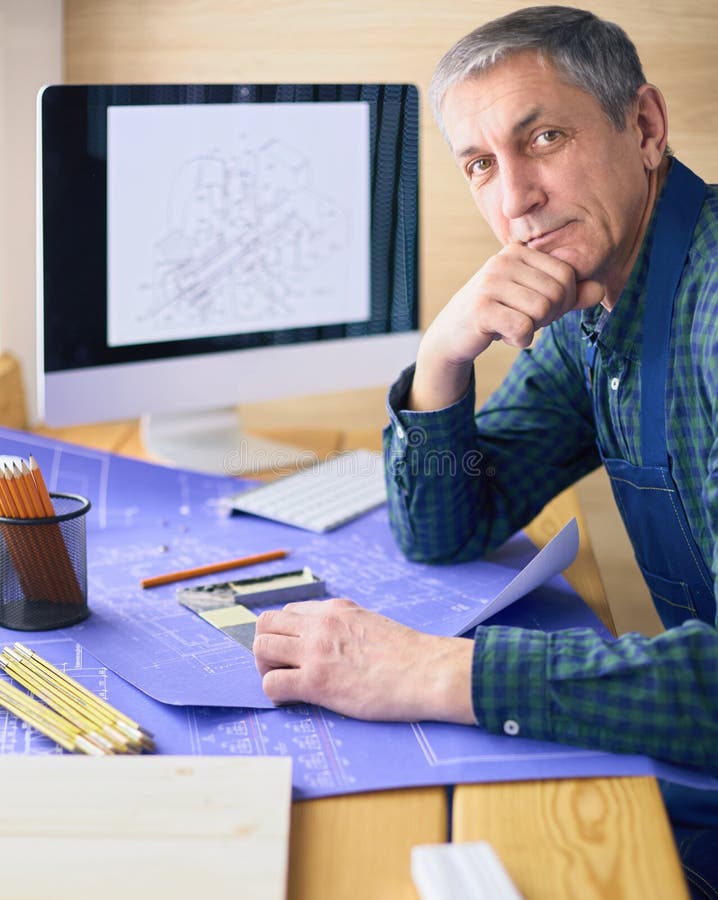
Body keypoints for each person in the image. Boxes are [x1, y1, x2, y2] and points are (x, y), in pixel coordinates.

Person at [253, 7, 718, 894]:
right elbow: (451, 524)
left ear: (646, 127)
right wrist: (442, 354)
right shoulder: (594, 306)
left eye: (543, 137)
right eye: (481, 166)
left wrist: (432, 671)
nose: (515, 199)